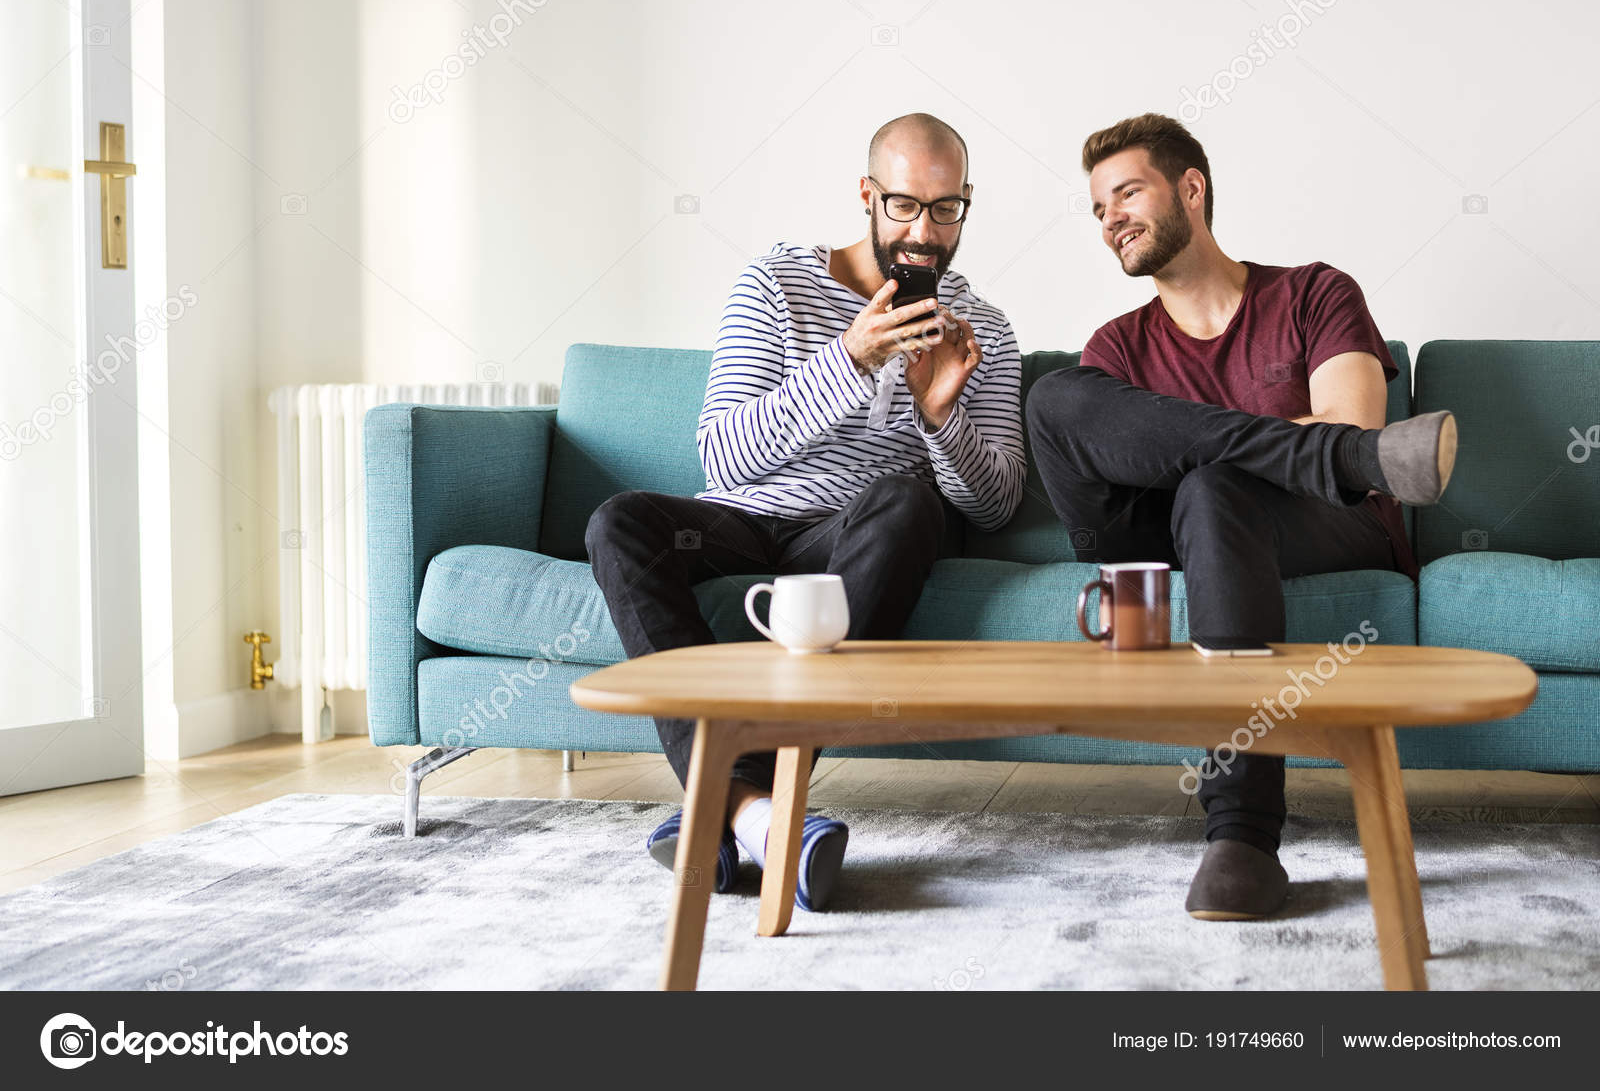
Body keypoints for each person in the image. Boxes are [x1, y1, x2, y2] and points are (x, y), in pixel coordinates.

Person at [585, 113, 1025, 910]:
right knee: (619, 521)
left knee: (908, 500)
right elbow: (724, 456)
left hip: (854, 539)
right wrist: (850, 359)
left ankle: (728, 810)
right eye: (903, 205)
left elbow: (994, 506)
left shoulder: (982, 329)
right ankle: (760, 811)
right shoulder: (776, 284)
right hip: (744, 522)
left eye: (946, 208)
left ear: (967, 204)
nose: (925, 232)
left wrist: (940, 419)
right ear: (866, 194)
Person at [1026, 113, 1456, 919]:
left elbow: (1348, 416)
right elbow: (1351, 443)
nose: (1110, 217)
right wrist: (1325, 447)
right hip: (1149, 535)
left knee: (1215, 487)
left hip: (1327, 520)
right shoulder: (1116, 347)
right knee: (1052, 400)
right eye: (1097, 208)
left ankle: (1243, 835)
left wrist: (1233, 459)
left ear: (1191, 188)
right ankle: (1301, 462)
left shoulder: (1314, 292)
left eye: (1127, 192)